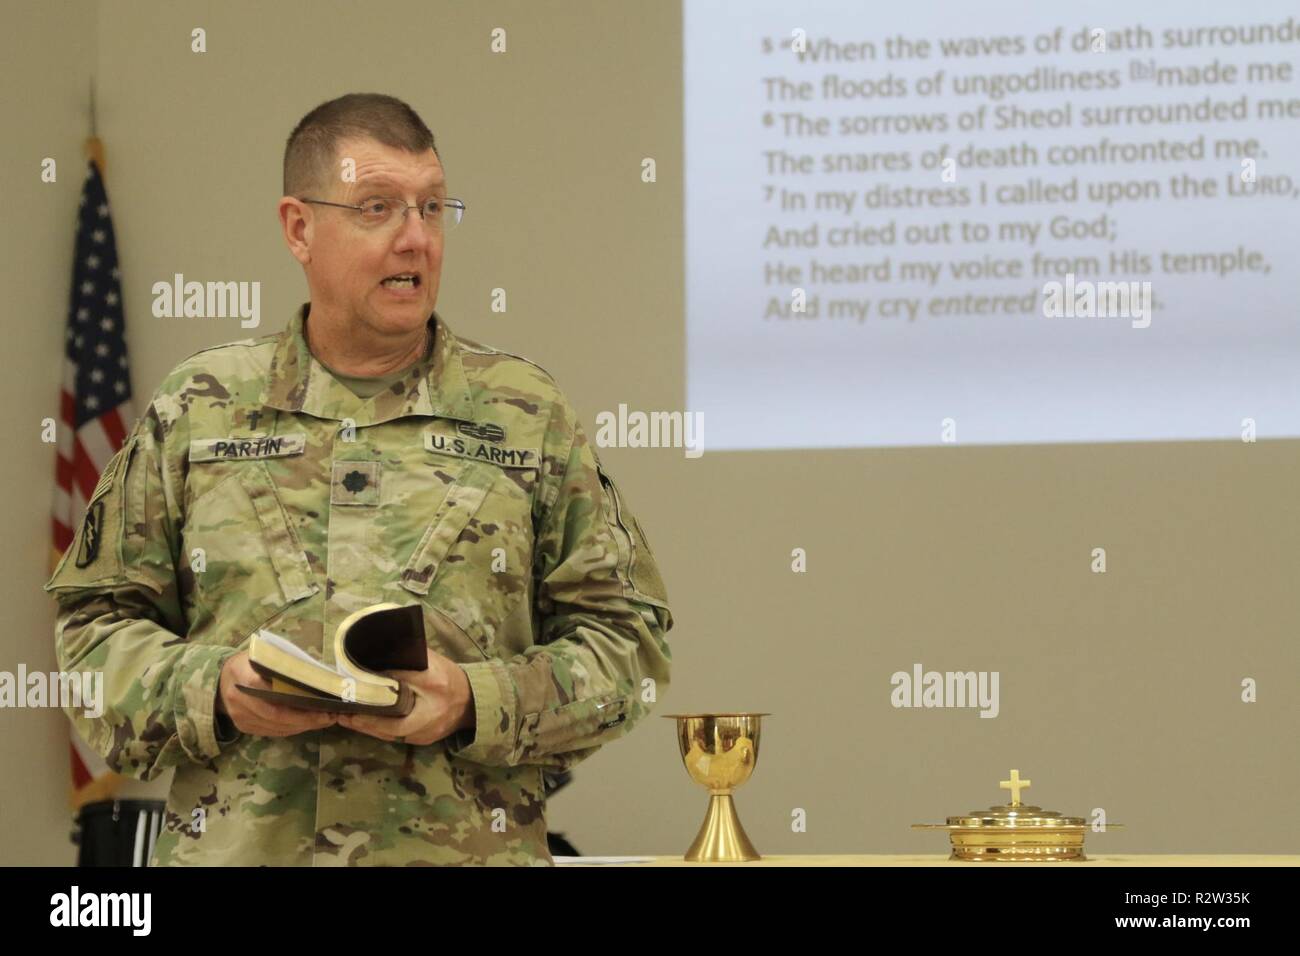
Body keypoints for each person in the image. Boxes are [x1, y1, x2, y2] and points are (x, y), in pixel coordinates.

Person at [43, 92, 674, 865]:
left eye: (433, 207)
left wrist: (478, 700)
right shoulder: (199, 408)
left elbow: (630, 645)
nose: (417, 239)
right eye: (378, 208)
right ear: (299, 228)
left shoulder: (524, 413)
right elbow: (91, 635)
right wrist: (213, 689)